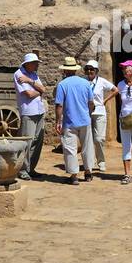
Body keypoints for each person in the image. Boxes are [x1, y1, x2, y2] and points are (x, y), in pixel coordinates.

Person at [53, 57, 96, 184]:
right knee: (87, 147)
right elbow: (91, 103)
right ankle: (88, 173)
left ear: (65, 70)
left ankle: (74, 176)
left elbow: (59, 105)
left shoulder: (62, 85)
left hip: (69, 122)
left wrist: (58, 121)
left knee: (70, 148)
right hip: (84, 120)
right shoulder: (85, 83)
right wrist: (88, 113)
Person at [14, 52, 46, 180]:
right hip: (28, 111)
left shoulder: (32, 75)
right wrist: (38, 90)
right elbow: (28, 94)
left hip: (39, 110)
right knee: (27, 141)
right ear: (28, 64)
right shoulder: (18, 74)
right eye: (35, 63)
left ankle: (30, 168)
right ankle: (22, 169)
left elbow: (43, 89)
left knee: (37, 141)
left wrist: (30, 81)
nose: (37, 65)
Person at [84, 60, 117, 173]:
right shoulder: (83, 82)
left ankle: (101, 162)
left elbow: (115, 90)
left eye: (92, 69)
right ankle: (90, 161)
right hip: (86, 113)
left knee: (99, 139)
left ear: (96, 71)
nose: (89, 71)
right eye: (87, 69)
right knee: (88, 139)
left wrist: (105, 100)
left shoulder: (102, 81)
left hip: (99, 112)